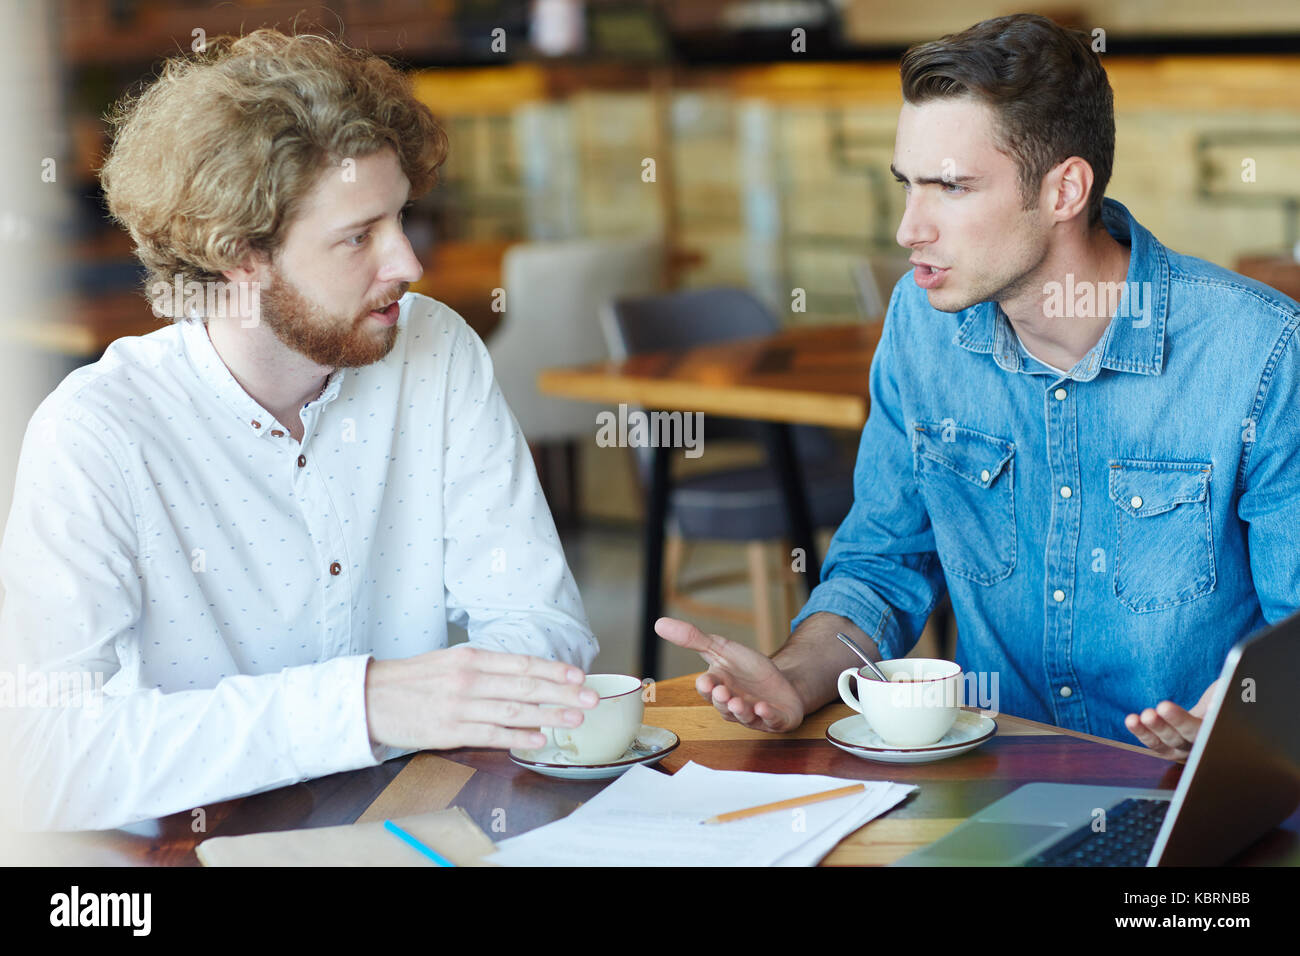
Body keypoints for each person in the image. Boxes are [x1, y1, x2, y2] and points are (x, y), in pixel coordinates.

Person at [0, 29, 599, 831]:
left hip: (418, 825)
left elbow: (545, 626)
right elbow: (37, 754)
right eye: (359, 237)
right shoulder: (98, 435)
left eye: (401, 220)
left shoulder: (433, 347)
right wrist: (360, 705)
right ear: (241, 257)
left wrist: (435, 706)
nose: (408, 264)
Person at [658, 13, 1300, 759]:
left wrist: (1238, 716)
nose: (908, 229)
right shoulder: (920, 326)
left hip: (1197, 790)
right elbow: (885, 563)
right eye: (907, 184)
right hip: (996, 782)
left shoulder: (1260, 352)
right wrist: (793, 677)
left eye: (951, 188)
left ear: (1064, 190)